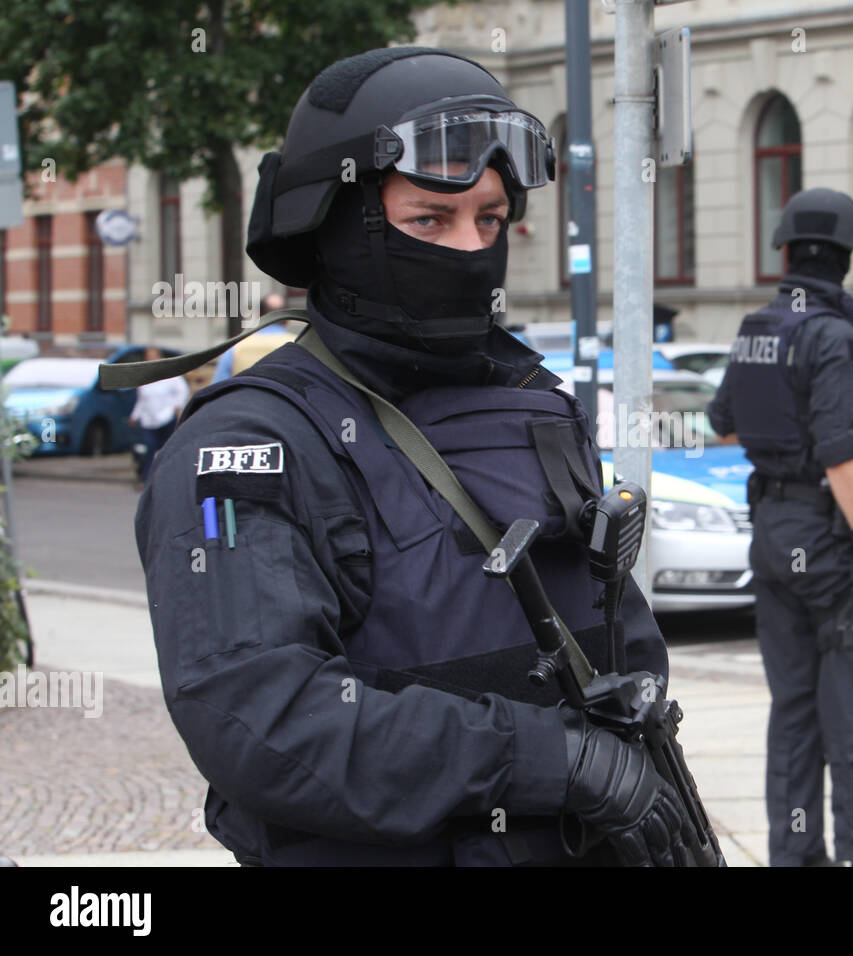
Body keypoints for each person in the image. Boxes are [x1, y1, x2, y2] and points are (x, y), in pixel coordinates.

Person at [131, 47, 694, 866]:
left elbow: (619, 643)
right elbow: (258, 716)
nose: (470, 249)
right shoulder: (250, 444)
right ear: (335, 222)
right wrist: (550, 760)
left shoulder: (536, 404)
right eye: (431, 220)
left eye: (490, 220)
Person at [708, 188, 853, 867]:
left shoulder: (756, 330)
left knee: (793, 714)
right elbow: (845, 451)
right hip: (829, 538)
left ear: (788, 252)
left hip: (772, 530)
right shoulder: (833, 337)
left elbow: (726, 422)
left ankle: (795, 855)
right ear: (847, 260)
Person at [127, 347, 188, 490]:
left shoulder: (169, 375)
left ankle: (169, 477)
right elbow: (142, 400)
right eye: (149, 356)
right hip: (149, 419)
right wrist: (134, 415)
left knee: (168, 449)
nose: (152, 359)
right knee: (149, 449)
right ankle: (146, 479)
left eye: (154, 356)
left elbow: (182, 391)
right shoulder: (145, 377)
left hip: (166, 417)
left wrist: (177, 406)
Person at [209, 292, 290, 383]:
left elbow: (218, 386)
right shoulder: (299, 345)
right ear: (288, 319)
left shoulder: (236, 348)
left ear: (258, 316)